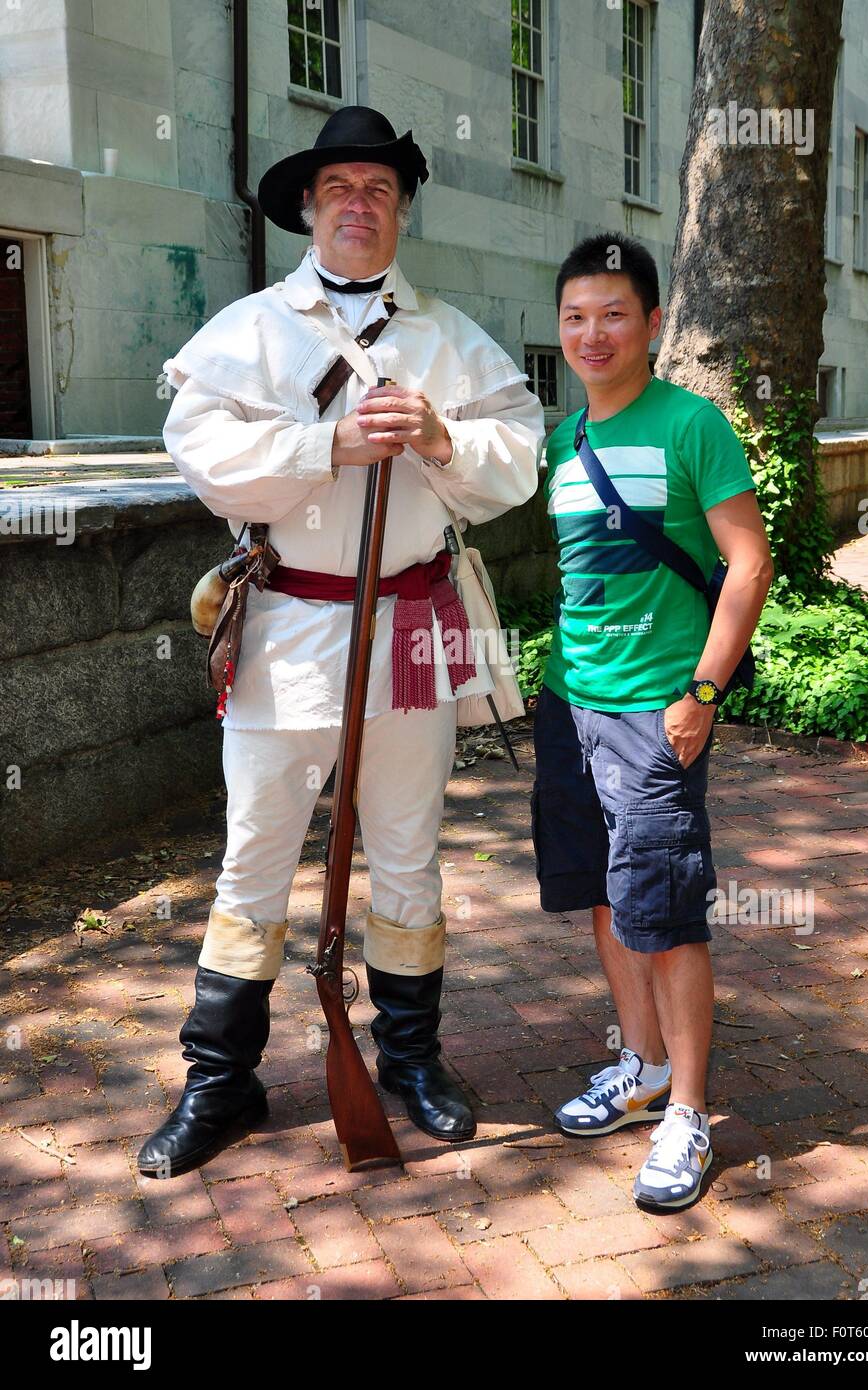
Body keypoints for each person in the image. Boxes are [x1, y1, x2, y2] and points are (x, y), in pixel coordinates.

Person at [137, 106, 544, 1177]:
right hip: (287, 628)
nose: (358, 206)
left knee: (408, 855)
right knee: (255, 858)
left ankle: (410, 1059)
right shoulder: (251, 328)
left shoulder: (450, 334)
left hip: (411, 624)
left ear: (400, 208)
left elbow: (520, 452)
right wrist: (330, 443)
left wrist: (447, 436)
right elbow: (203, 449)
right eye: (339, 190)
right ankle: (220, 1083)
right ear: (309, 211)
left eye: (378, 189)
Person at [532, 233, 773, 1210]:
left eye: (613, 313)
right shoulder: (562, 439)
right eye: (575, 316)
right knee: (603, 896)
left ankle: (688, 1112)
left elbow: (748, 564)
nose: (593, 333)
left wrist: (701, 696)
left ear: (652, 323)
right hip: (570, 703)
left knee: (666, 917)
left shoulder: (692, 427)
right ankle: (638, 1069)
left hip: (655, 715)